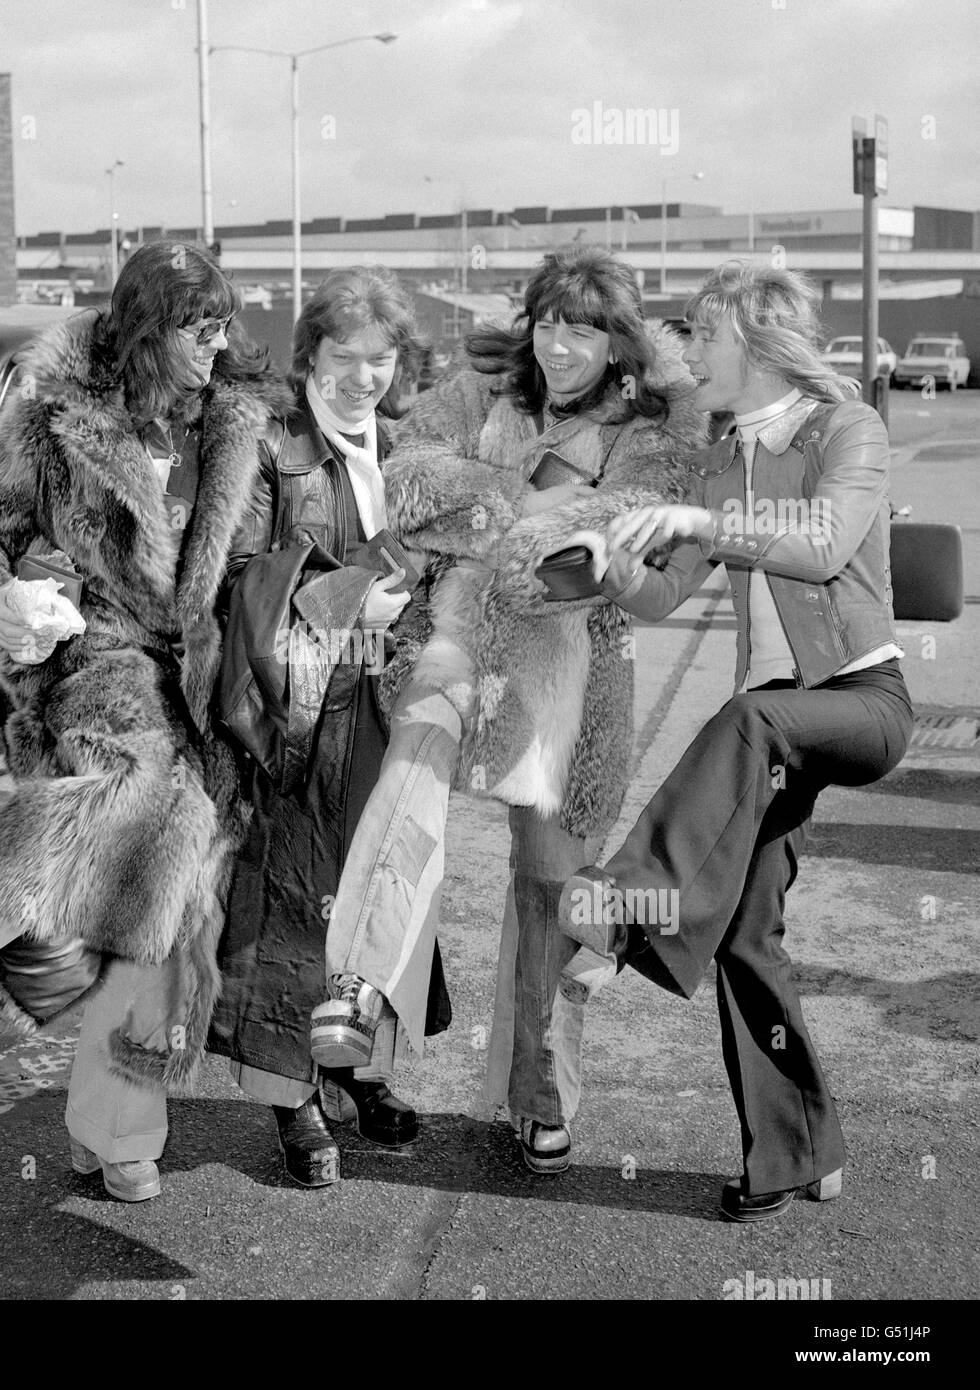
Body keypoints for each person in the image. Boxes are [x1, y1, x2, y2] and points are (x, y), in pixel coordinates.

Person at [0, 240, 289, 1202]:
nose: (213, 348)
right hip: (94, 660)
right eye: (192, 330)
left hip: (205, 682)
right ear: (140, 331)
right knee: (150, 806)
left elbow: (273, 559)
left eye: (220, 328)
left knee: (142, 908)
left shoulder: (239, 423)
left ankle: (106, 1127)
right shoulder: (56, 414)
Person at [308, 246, 704, 1175]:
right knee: (408, 781)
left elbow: (613, 530)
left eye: (587, 327)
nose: (562, 344)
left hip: (569, 667)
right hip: (457, 632)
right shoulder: (485, 393)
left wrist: (502, 516)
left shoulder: (647, 424)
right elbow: (408, 481)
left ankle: (540, 1096)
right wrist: (520, 498)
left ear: (621, 342)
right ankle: (358, 982)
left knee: (550, 885)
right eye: (550, 322)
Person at [559, 260, 913, 1221]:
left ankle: (628, 898)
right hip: (765, 738)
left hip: (855, 704)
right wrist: (611, 568)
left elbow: (825, 544)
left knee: (749, 716)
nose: (686, 353)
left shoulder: (848, 430)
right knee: (749, 936)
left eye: (701, 335)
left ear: (753, 341)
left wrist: (706, 518)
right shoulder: (717, 459)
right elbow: (667, 590)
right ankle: (799, 1157)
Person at [208, 266, 445, 1186]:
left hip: (389, 701)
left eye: (380, 360)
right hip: (300, 706)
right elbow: (234, 578)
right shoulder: (271, 444)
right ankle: (292, 1096)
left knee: (383, 886)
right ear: (311, 355)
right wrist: (346, 600)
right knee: (294, 901)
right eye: (345, 357)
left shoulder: (403, 447)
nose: (363, 377)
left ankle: (354, 1067)